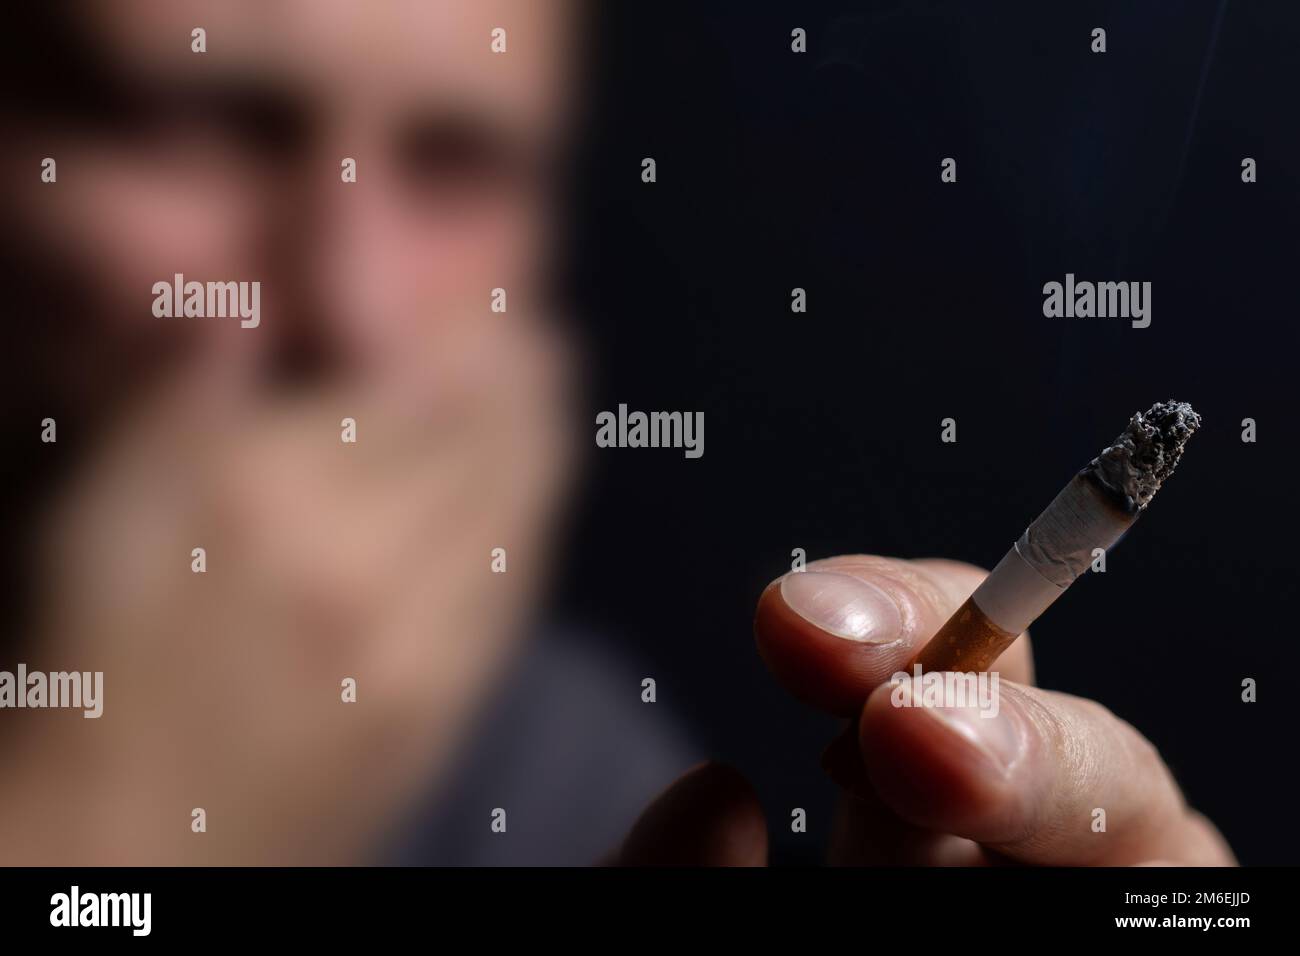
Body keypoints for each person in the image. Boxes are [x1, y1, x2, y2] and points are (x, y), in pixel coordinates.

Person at [1, 1, 1234, 867]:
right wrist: (106, 829)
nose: (352, 305)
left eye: (457, 155)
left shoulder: (559, 775)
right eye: (202, 120)